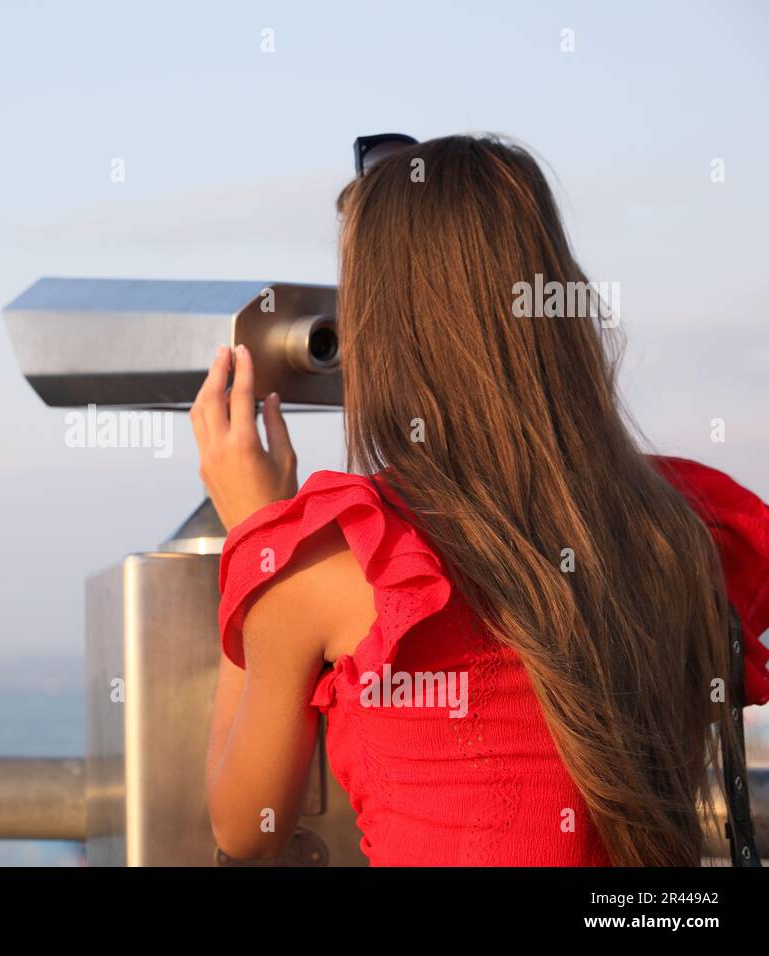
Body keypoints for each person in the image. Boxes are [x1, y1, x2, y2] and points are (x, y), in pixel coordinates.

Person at [193, 134, 769, 866]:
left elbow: (244, 826)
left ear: (384, 331)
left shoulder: (338, 565)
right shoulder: (675, 532)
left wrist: (259, 543)